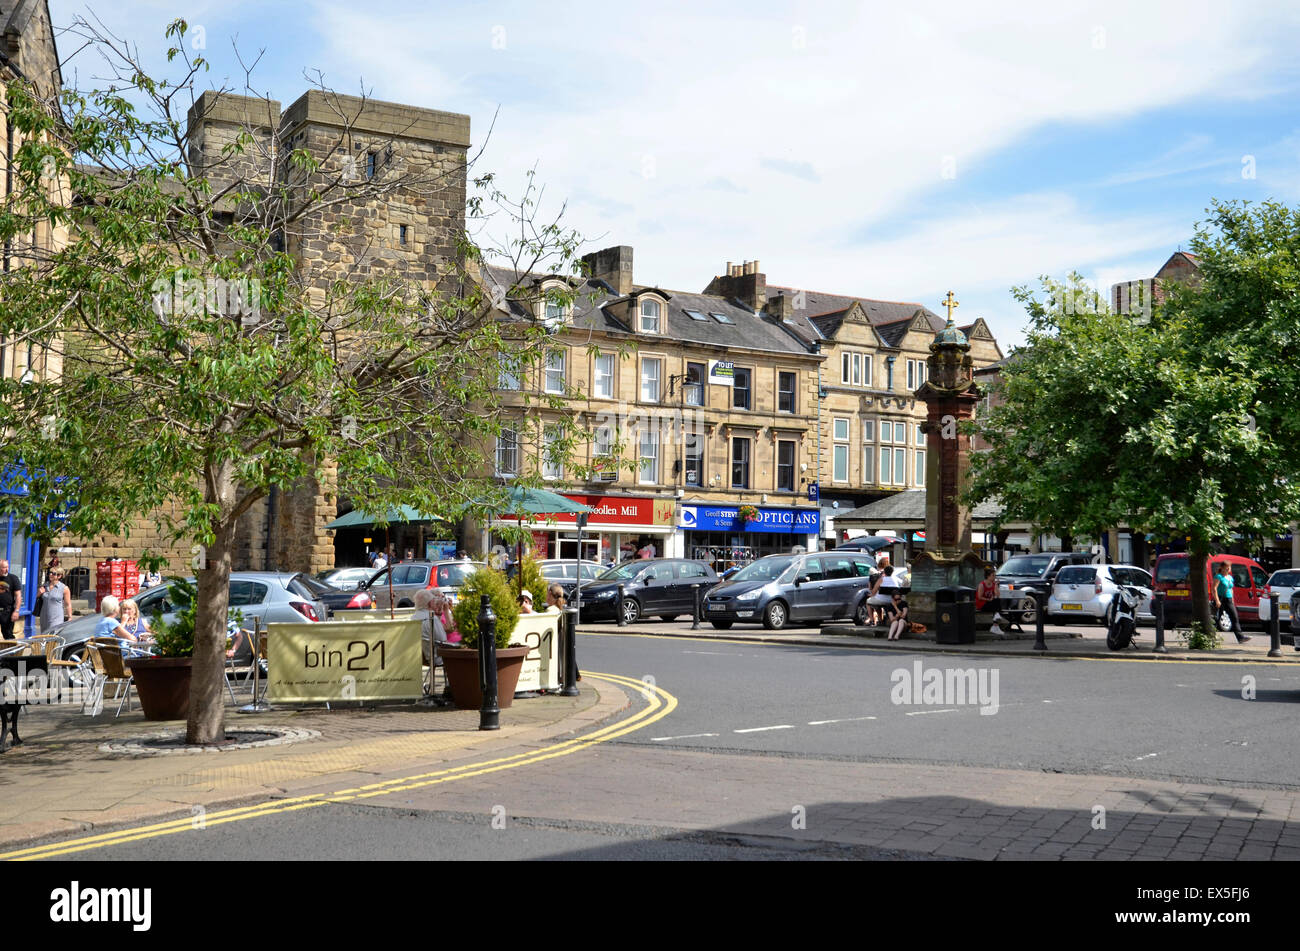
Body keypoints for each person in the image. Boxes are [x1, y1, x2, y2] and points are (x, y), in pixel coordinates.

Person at [1212, 562, 1251, 644]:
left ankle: (1240, 637)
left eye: (1229, 567)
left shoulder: (1230, 577)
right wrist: (1217, 600)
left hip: (1229, 600)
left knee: (1234, 617)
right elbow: (1214, 589)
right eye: (1227, 567)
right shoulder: (1218, 576)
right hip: (1221, 599)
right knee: (1216, 619)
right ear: (1222, 568)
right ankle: (1210, 636)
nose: (1228, 569)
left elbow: (1231, 589)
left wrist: (1232, 600)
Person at [37, 569, 72, 634]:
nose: (50, 574)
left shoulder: (64, 588)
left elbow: (68, 604)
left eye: (53, 573)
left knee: (53, 637)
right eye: (50, 572)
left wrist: (70, 617)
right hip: (44, 617)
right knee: (44, 637)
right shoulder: (44, 586)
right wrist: (39, 593)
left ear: (59, 576)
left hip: (56, 618)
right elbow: (35, 598)